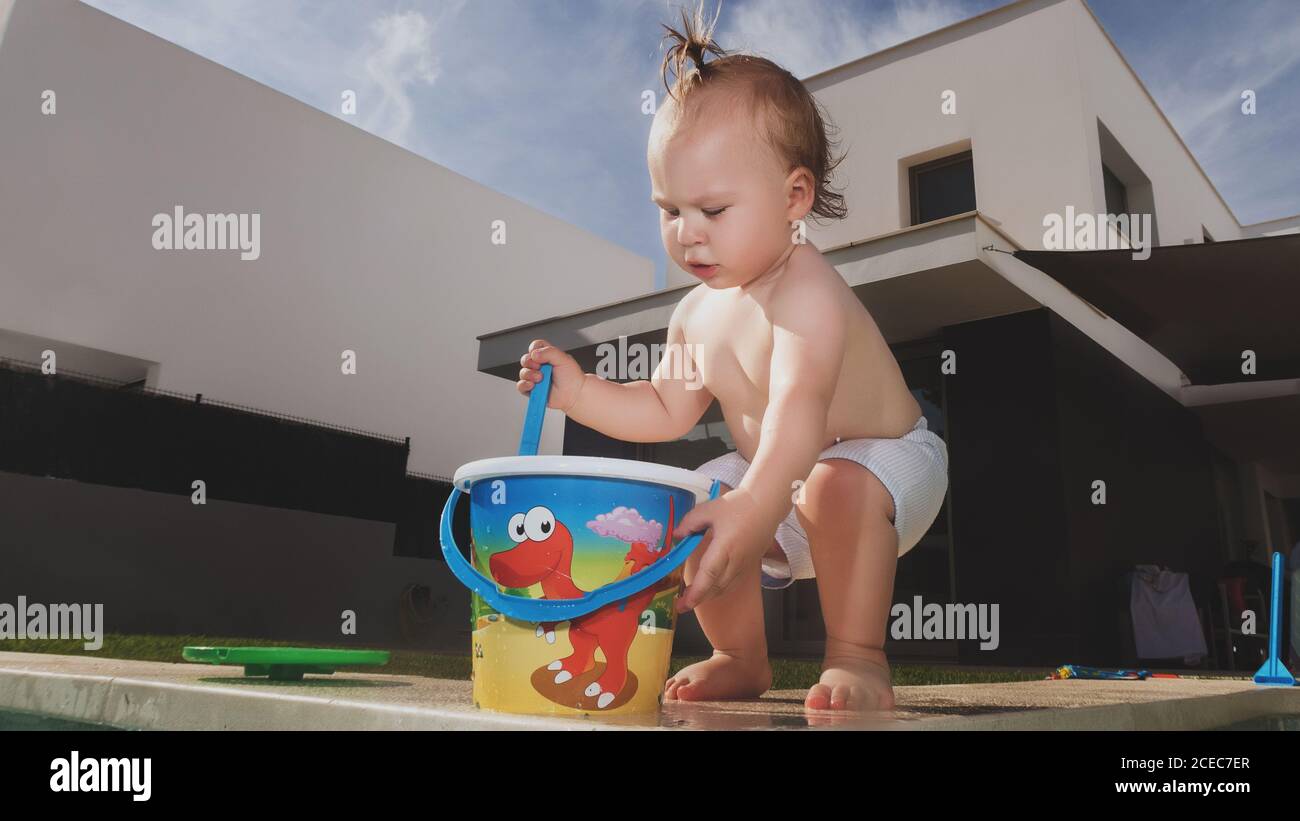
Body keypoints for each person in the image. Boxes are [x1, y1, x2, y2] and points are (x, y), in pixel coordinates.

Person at [517, 1, 948, 712]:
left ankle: (858, 656)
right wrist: (578, 390)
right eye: (669, 209)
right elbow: (661, 407)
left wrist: (754, 500)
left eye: (713, 210)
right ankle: (739, 656)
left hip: (889, 469)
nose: (687, 233)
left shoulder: (806, 287)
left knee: (831, 482)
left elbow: (799, 412)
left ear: (794, 197)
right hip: (782, 485)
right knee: (691, 501)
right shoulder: (693, 314)